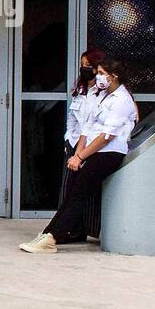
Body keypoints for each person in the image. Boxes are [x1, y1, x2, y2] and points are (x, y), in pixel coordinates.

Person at [20, 56, 138, 253]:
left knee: (79, 194)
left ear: (114, 76)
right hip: (90, 151)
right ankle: (48, 233)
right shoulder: (103, 96)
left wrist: (81, 157)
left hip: (108, 153)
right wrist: (78, 154)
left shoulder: (122, 100)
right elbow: (87, 128)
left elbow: (106, 136)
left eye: (101, 73)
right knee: (71, 193)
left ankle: (53, 237)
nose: (97, 77)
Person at [61, 49, 106, 238]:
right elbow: (72, 117)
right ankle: (70, 229)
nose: (84, 68)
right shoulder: (79, 90)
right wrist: (67, 137)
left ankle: (85, 229)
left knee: (85, 191)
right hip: (74, 143)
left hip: (91, 146)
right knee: (68, 189)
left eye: (89, 65)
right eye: (82, 65)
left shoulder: (103, 93)